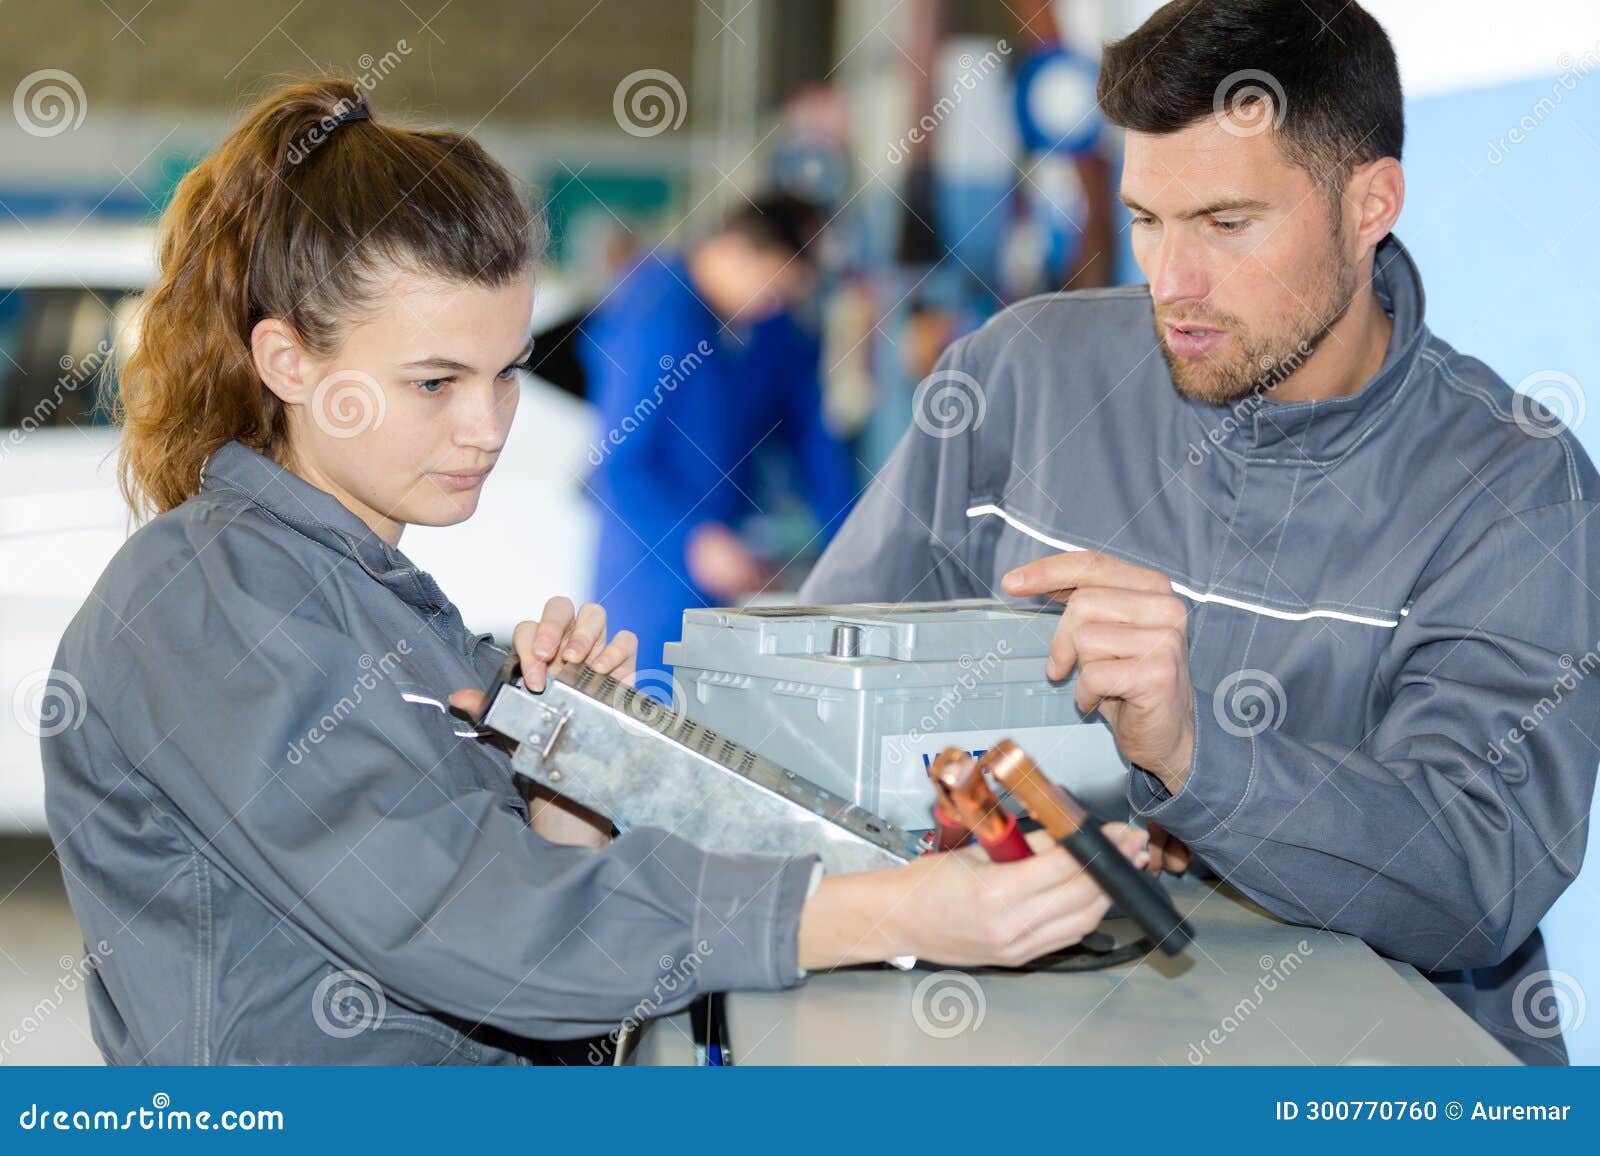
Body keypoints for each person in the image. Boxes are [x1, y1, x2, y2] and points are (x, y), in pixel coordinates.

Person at [38, 78, 1145, 1066]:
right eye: (434, 382)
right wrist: (885, 911)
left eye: (507, 373)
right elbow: (465, 924)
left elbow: (498, 897)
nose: (487, 426)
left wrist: (559, 772)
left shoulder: (381, 603)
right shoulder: (206, 602)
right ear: (289, 361)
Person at [799, 0, 1599, 1066]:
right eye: (1146, 220)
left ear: (1370, 204)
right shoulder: (1018, 380)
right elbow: (811, 691)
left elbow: (1474, 876)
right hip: (1031, 1050)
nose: (1170, 283)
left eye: (1225, 224)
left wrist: (1195, 756)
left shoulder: (1515, 490)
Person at [582, 195, 855, 669]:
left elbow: (811, 440)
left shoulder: (765, 329)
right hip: (652, 570)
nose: (775, 307)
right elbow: (620, 465)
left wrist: (851, 542)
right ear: (734, 249)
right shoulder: (655, 313)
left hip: (718, 575)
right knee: (647, 711)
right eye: (773, 289)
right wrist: (693, 538)